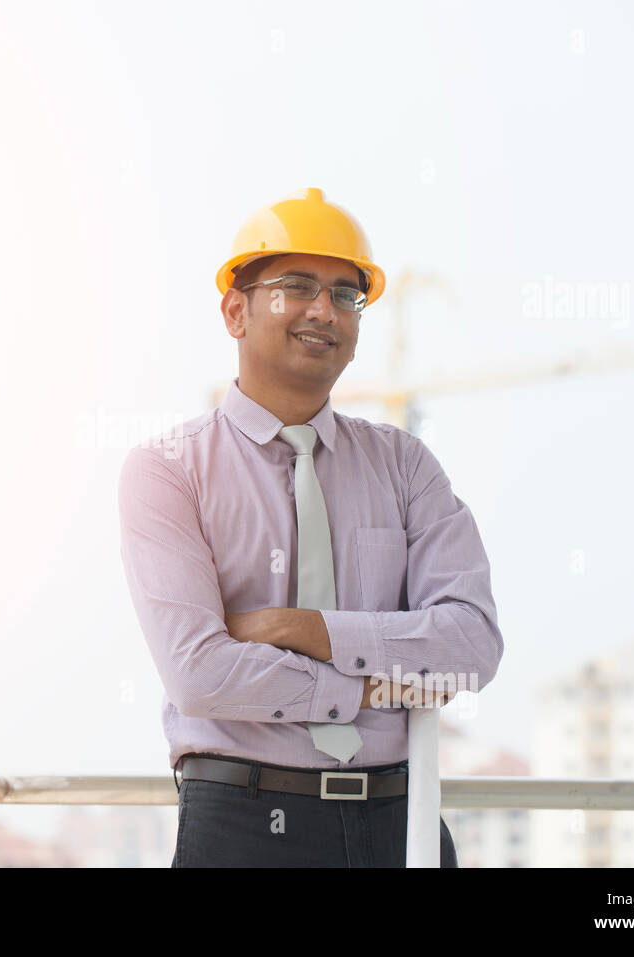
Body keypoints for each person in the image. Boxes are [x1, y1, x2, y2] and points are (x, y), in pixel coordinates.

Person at [117, 187, 504, 867]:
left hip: (401, 822)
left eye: (346, 295)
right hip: (241, 825)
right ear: (235, 310)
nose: (325, 310)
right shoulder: (168, 472)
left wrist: (304, 628)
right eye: (296, 286)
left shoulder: (406, 465)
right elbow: (201, 674)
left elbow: (471, 649)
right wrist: (372, 686)